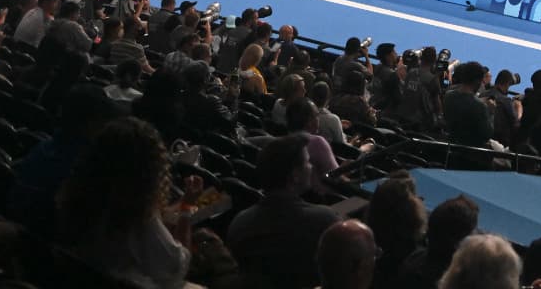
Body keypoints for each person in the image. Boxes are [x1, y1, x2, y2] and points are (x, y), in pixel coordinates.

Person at [57, 117, 200, 288]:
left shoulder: (76, 195)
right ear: (147, 171)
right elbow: (176, 269)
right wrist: (186, 208)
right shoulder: (137, 215)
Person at [225, 135, 339, 289]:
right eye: (307, 162)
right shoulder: (325, 221)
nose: (311, 166)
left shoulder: (238, 224)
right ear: (295, 175)